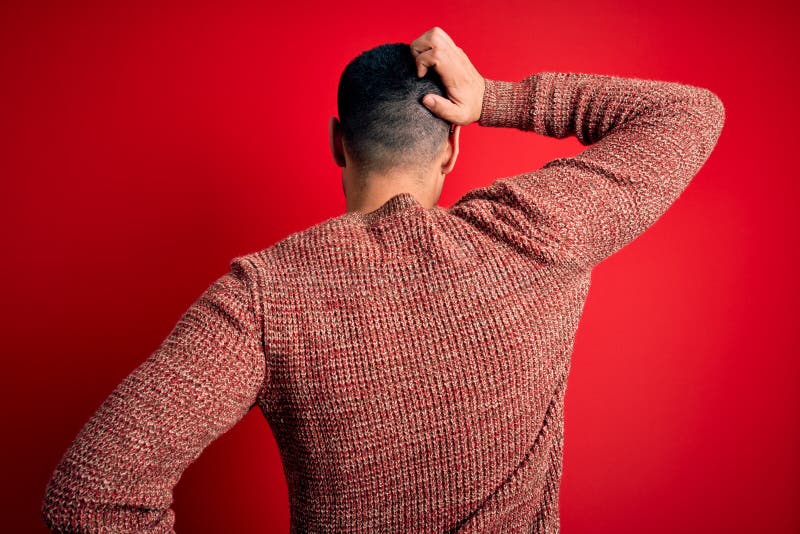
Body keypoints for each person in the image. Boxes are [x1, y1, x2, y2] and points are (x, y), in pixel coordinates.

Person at [41, 26, 725, 533]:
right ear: (452, 146)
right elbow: (689, 114)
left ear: (339, 141)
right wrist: (493, 98)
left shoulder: (266, 296)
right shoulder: (532, 236)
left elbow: (91, 495)